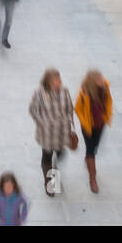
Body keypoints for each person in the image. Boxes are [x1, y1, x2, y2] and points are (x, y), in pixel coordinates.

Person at [29, 68, 77, 197]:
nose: (60, 81)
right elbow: (33, 110)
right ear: (49, 81)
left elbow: (69, 108)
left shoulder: (64, 91)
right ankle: (49, 184)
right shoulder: (40, 93)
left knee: (61, 154)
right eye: (57, 79)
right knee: (47, 157)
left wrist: (70, 124)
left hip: (62, 133)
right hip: (47, 135)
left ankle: (54, 169)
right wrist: (43, 123)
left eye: (60, 78)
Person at [75, 70, 113, 193]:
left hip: (100, 125)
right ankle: (93, 178)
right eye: (99, 80)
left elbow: (108, 102)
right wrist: (85, 123)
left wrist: (107, 116)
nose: (102, 80)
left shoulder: (105, 88)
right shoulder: (84, 93)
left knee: (95, 148)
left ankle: (88, 158)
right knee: (91, 150)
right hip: (88, 127)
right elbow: (77, 109)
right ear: (92, 82)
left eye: (101, 78)